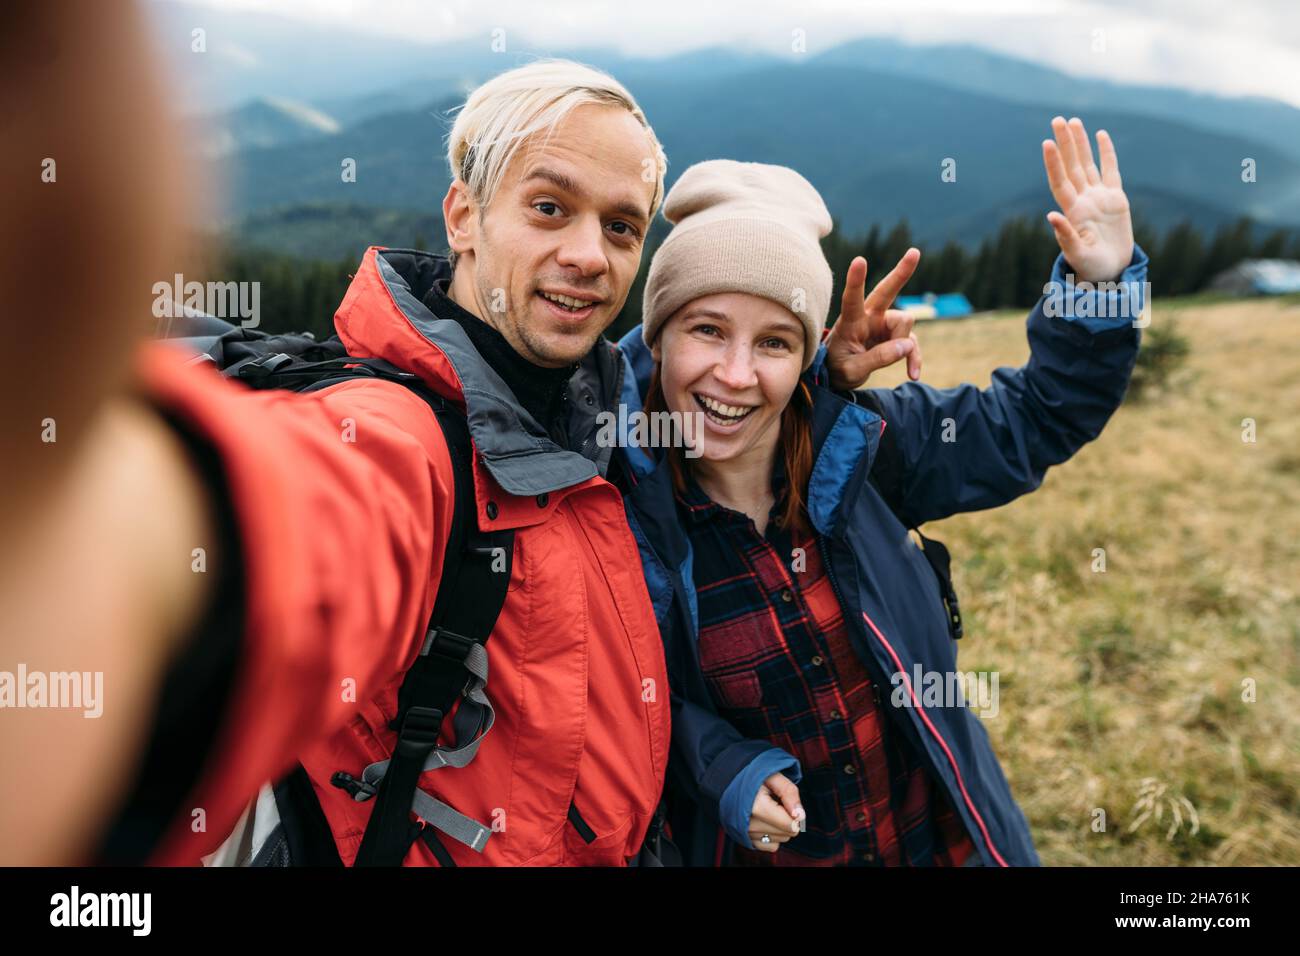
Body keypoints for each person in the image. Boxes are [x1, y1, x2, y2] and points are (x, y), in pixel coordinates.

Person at [615, 124, 1148, 865]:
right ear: (658, 337)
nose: (736, 375)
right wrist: (723, 768)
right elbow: (608, 702)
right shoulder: (613, 511)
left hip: (942, 842)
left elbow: (1040, 415)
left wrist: (1101, 283)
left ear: (806, 356)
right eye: (707, 329)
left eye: (773, 341)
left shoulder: (869, 449)